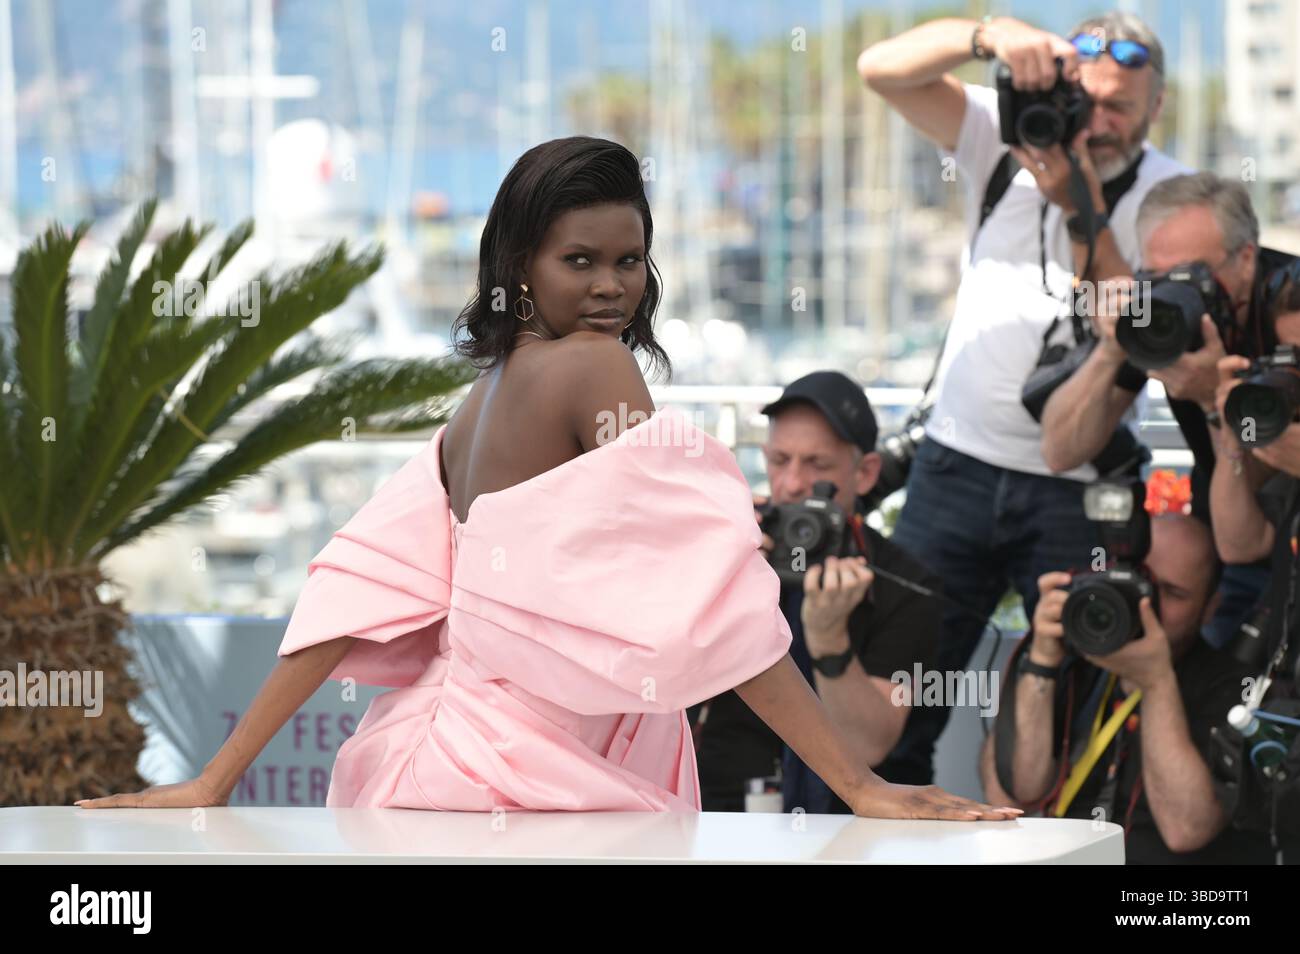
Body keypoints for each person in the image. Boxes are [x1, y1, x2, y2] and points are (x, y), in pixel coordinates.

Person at [74, 137, 1019, 821]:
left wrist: (216, 777)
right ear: (519, 265)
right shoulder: (594, 371)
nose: (611, 286)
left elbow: (352, 599)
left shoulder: (473, 403)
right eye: (579, 262)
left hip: (422, 761)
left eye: (629, 260)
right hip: (538, 777)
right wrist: (857, 786)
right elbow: (714, 601)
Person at [856, 11, 1186, 783]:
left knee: (1057, 723)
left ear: (1156, 110)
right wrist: (993, 38)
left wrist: (1077, 202)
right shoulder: (1006, 135)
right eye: (1088, 100)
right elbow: (881, 68)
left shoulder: (1171, 198)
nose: (1097, 124)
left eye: (1120, 110)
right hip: (954, 469)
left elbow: (1128, 326)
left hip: (1082, 490)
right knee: (899, 697)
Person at [1041, 172, 1300, 648]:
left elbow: (1277, 472)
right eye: (1159, 276)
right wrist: (1114, 347)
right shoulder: (1158, 318)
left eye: (1196, 274)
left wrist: (1212, 400)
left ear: (1246, 259)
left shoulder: (1289, 306)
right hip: (1233, 532)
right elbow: (1060, 450)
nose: (1181, 292)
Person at [692, 372, 941, 812]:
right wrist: (719, 572)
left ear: (865, 473)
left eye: (817, 466)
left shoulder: (905, 582)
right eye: (779, 460)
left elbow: (869, 745)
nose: (791, 483)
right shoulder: (731, 548)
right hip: (723, 811)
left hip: (858, 821)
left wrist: (830, 641)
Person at [983, 512, 1282, 863]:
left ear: (1209, 609)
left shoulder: (1238, 688)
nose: (1147, 605)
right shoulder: (1075, 656)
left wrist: (1155, 683)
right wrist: (1041, 663)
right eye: (1140, 582)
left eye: (1171, 593)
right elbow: (1010, 795)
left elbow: (1186, 829)